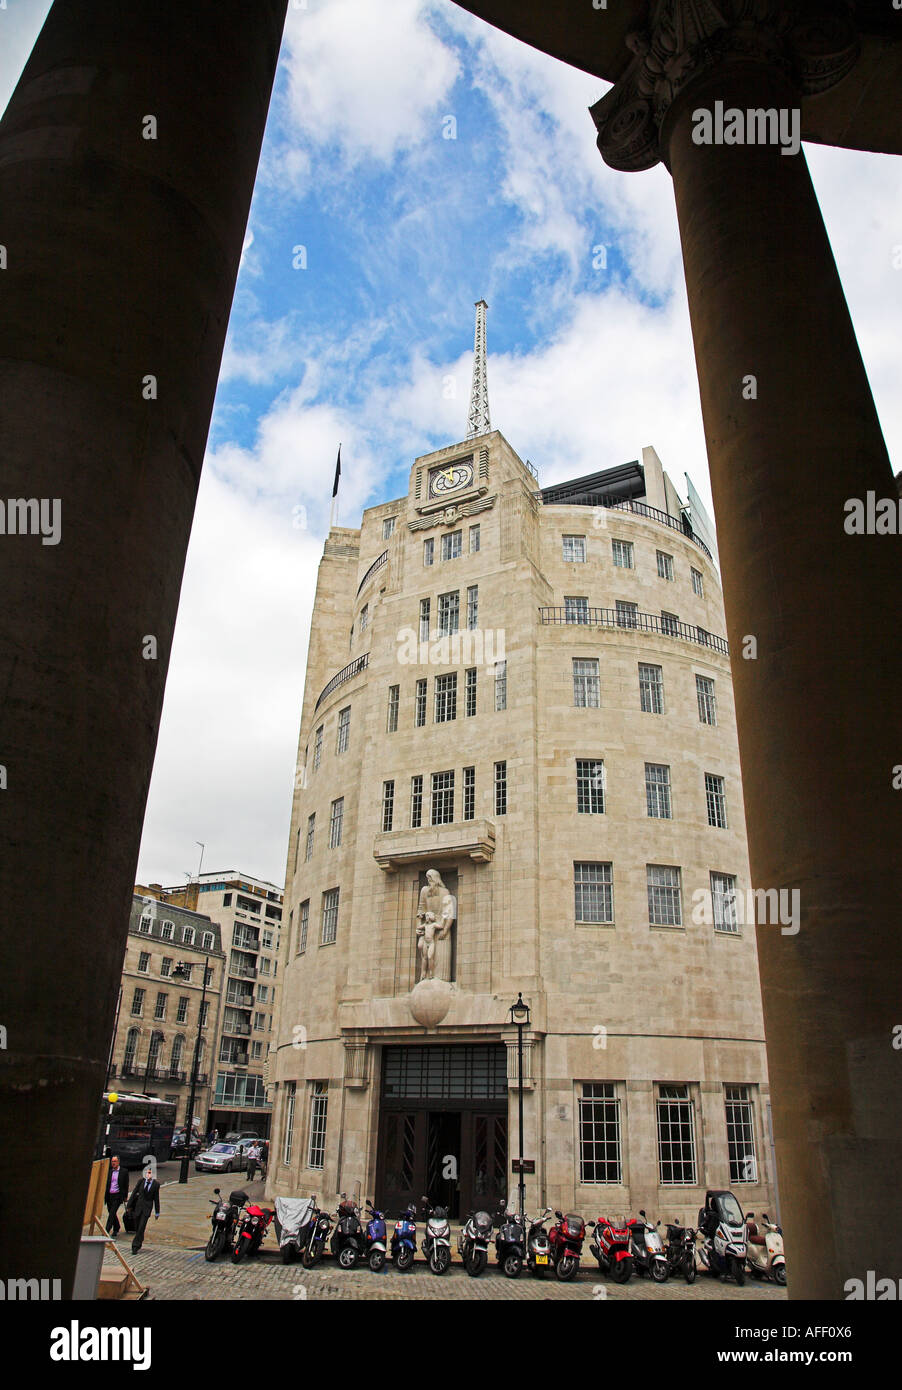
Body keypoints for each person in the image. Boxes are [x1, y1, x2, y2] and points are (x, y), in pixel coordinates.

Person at [126, 1164, 161, 1254]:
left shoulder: (156, 1185)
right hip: (138, 1207)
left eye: (150, 1173)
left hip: (146, 1209)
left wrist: (157, 1212)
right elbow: (134, 1193)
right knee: (137, 1227)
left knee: (141, 1226)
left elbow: (156, 1199)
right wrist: (129, 1205)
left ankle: (135, 1246)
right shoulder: (140, 1182)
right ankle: (140, 1238)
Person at [104, 1155, 129, 1237]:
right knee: (111, 1212)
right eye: (112, 1161)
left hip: (117, 1196)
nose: (113, 1163)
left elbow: (126, 1185)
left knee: (111, 1214)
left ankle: (106, 1230)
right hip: (109, 1195)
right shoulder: (110, 1172)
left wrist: (125, 1197)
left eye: (114, 1161)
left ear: (118, 1162)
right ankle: (117, 1226)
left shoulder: (124, 1172)